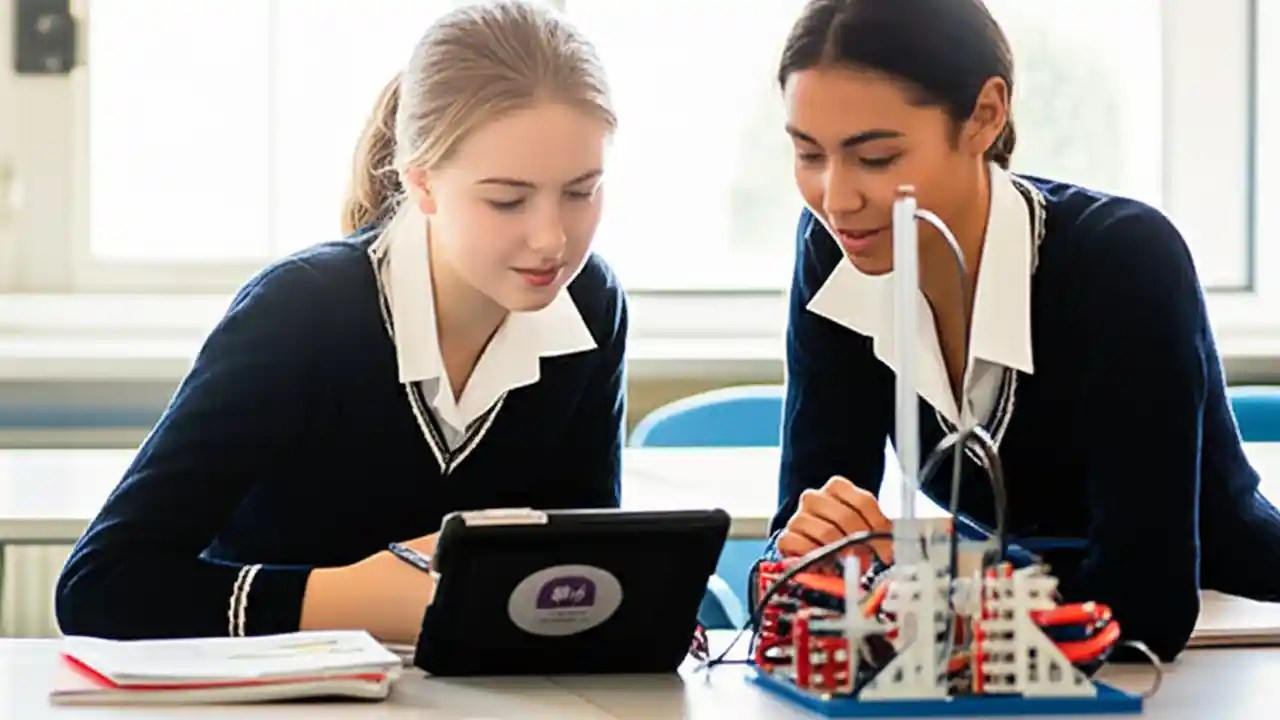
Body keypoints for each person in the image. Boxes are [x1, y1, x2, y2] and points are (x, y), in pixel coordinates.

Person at [55, 0, 626, 644]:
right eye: (506, 199)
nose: (552, 239)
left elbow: (581, 572)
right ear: (422, 184)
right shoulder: (301, 311)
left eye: (580, 192)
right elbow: (99, 589)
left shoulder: (589, 302)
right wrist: (352, 598)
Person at [766, 0, 1280, 662]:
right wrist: (810, 554)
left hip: (1236, 637)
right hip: (1035, 645)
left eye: (877, 157)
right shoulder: (837, 247)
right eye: (809, 153)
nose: (836, 198)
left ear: (984, 115)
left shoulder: (1123, 261)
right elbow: (801, 567)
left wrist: (938, 579)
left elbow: (1145, 600)